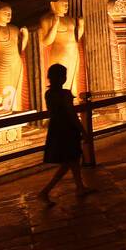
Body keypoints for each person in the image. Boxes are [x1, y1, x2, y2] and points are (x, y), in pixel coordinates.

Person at [38, 62, 92, 203]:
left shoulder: (49, 94)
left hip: (56, 128)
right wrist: (83, 131)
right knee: (69, 161)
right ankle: (46, 190)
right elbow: (71, 114)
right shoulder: (65, 94)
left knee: (73, 160)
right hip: (67, 129)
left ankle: (80, 187)